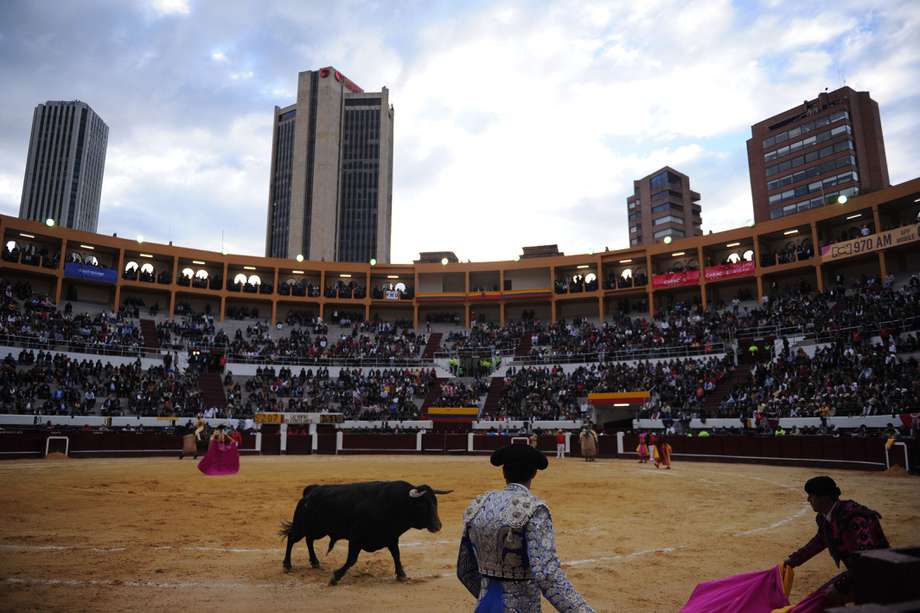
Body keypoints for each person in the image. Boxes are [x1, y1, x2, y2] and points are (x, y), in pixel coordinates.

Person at [457, 443, 595, 612]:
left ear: (504, 472)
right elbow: (547, 574)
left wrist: (487, 597)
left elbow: (465, 570)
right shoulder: (534, 509)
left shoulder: (479, 505)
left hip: (484, 606)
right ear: (534, 473)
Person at [783, 476, 890, 608]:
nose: (808, 499)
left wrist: (841, 585)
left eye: (811, 496)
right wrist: (793, 561)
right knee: (824, 595)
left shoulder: (855, 519)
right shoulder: (825, 517)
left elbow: (867, 562)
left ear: (824, 498)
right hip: (860, 572)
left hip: (879, 575)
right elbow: (819, 541)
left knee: (832, 594)